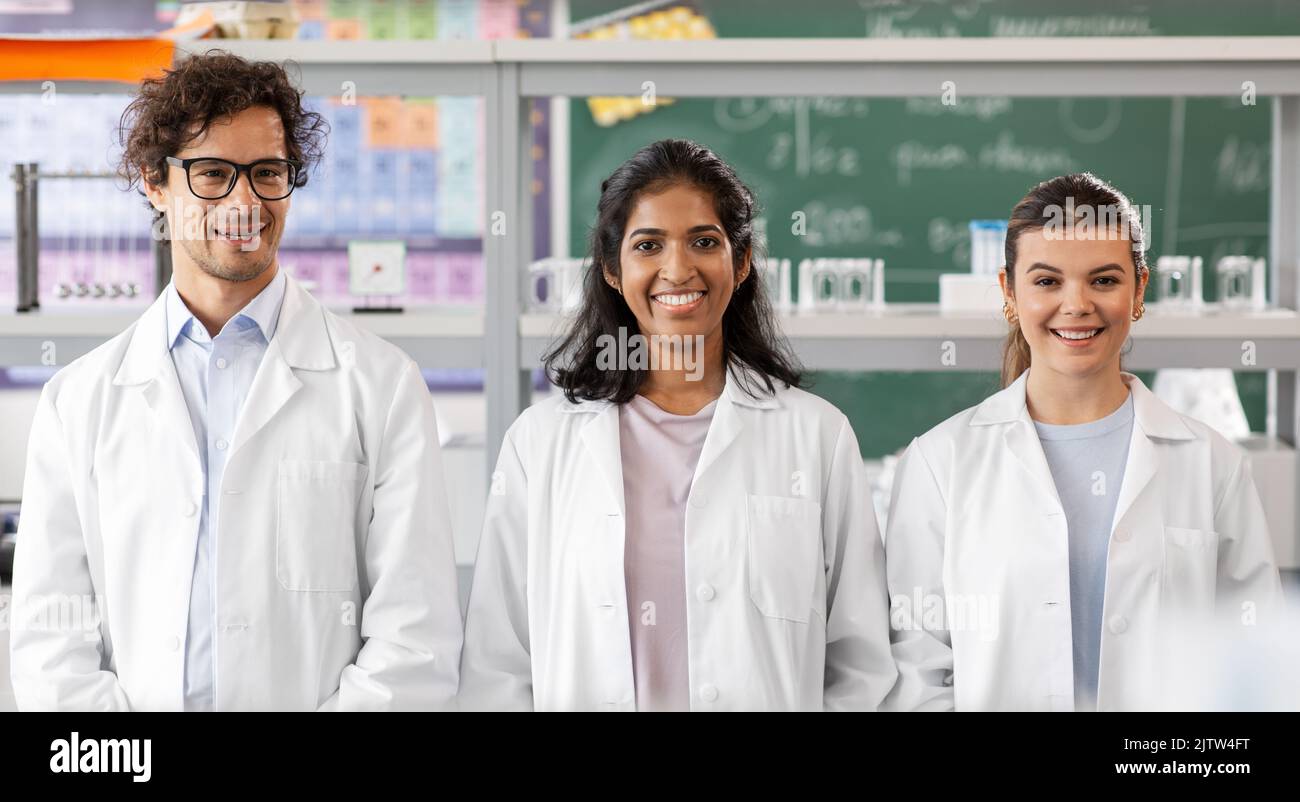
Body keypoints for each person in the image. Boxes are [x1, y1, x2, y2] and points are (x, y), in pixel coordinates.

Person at [9, 51, 462, 711]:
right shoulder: (78, 402)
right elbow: (52, 641)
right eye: (213, 173)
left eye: (268, 173)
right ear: (155, 183)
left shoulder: (382, 386)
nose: (245, 201)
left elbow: (415, 641)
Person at [460, 139, 895, 711]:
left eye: (704, 242)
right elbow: (498, 667)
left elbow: (860, 667)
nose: (677, 268)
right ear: (613, 271)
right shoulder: (540, 444)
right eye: (648, 245)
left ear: (740, 264)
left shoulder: (816, 437)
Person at [884, 172, 1283, 711]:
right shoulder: (940, 463)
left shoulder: (1212, 464)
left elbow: (1250, 671)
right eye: (1047, 282)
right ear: (1009, 291)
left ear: (1139, 290)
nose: (1076, 306)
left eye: (1103, 281)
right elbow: (918, 674)